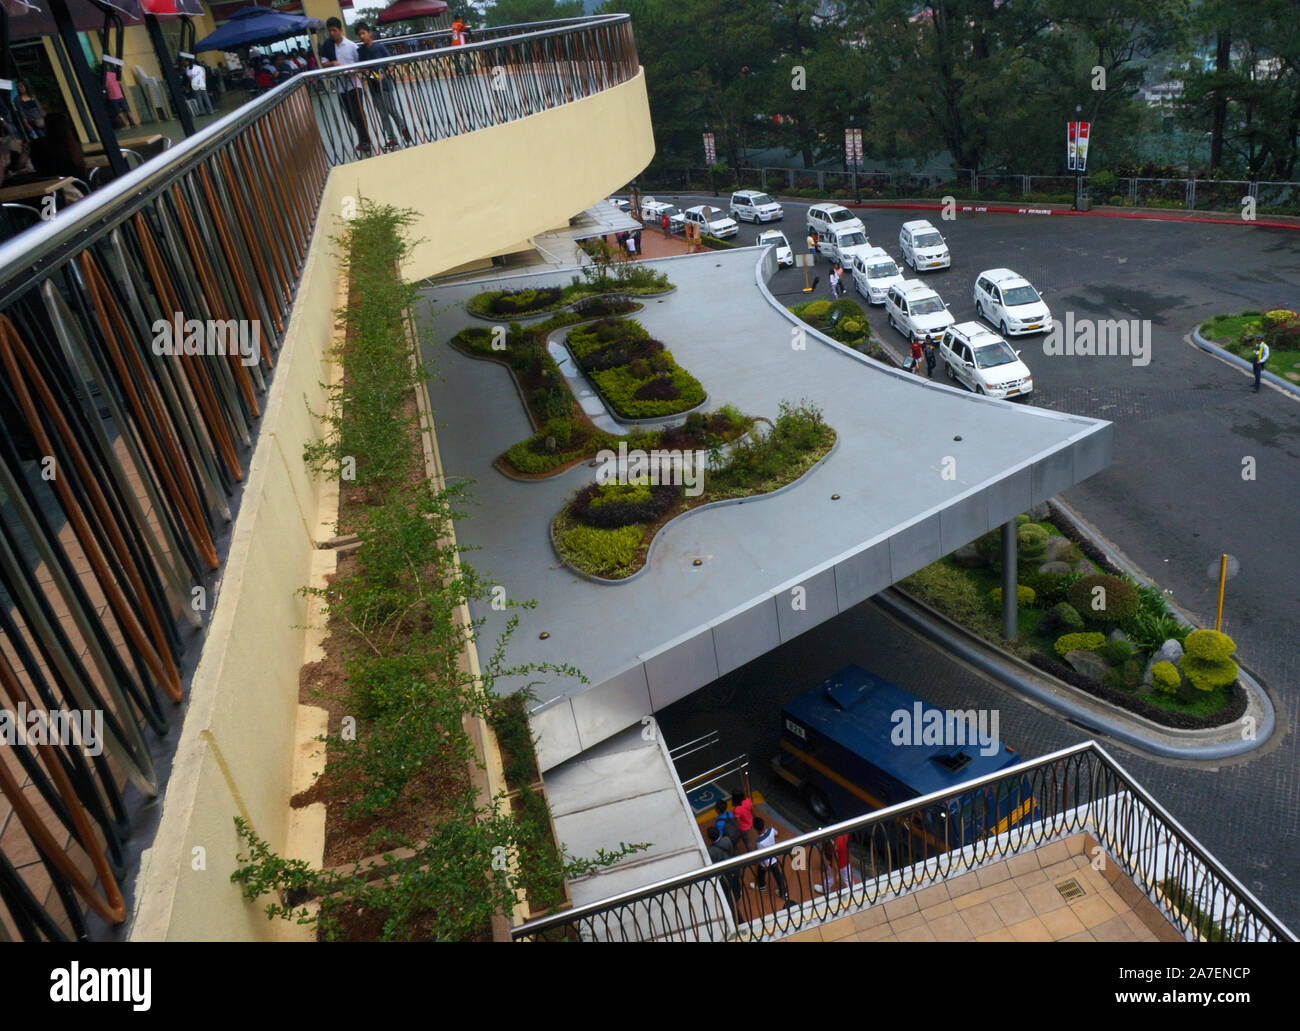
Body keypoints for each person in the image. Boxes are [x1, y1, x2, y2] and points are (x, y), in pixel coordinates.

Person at [319, 17, 374, 156]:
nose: (332, 33)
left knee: (358, 114)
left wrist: (354, 72)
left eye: (334, 30)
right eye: (330, 31)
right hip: (340, 87)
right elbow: (324, 63)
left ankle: (365, 141)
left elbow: (361, 64)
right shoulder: (327, 46)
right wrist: (333, 64)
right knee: (350, 115)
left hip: (354, 85)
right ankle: (363, 138)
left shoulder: (351, 46)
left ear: (340, 30)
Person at [356, 22, 412, 148]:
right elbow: (363, 69)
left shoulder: (379, 47)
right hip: (374, 87)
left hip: (385, 86)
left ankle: (404, 132)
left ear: (368, 33)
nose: (362, 36)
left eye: (363, 33)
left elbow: (391, 63)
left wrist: (384, 75)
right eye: (359, 34)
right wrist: (372, 76)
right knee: (382, 114)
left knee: (392, 110)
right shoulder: (361, 51)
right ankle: (392, 138)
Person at [750, 817, 791, 907]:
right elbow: (777, 834)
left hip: (766, 861)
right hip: (774, 857)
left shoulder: (759, 842)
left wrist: (764, 864)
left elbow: (761, 855)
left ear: (755, 829)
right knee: (777, 875)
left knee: (761, 872)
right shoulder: (771, 830)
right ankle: (782, 892)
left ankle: (761, 886)